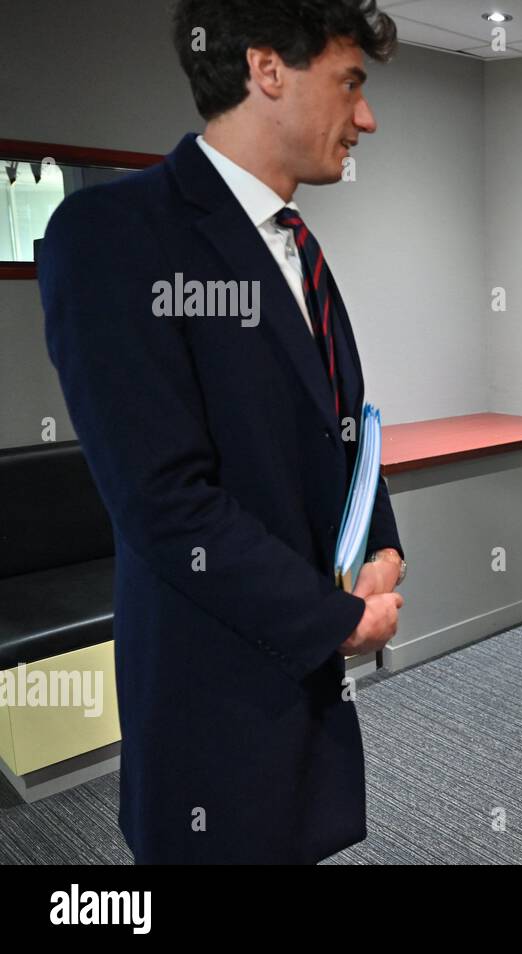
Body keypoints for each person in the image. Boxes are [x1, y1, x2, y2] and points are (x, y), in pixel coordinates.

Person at [38, 0, 406, 863]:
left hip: (302, 678)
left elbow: (343, 423)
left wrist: (380, 540)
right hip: (213, 683)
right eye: (351, 84)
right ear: (267, 68)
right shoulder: (110, 235)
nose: (367, 118)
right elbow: (164, 502)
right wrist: (337, 619)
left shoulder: (299, 245)